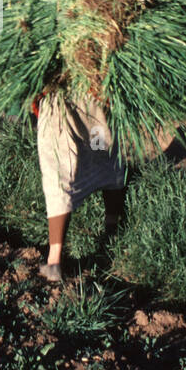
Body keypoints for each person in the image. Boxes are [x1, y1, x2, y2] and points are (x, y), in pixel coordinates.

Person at [32, 94, 127, 283]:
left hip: (61, 107)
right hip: (95, 102)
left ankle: (54, 261)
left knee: (59, 173)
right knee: (104, 155)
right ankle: (112, 232)